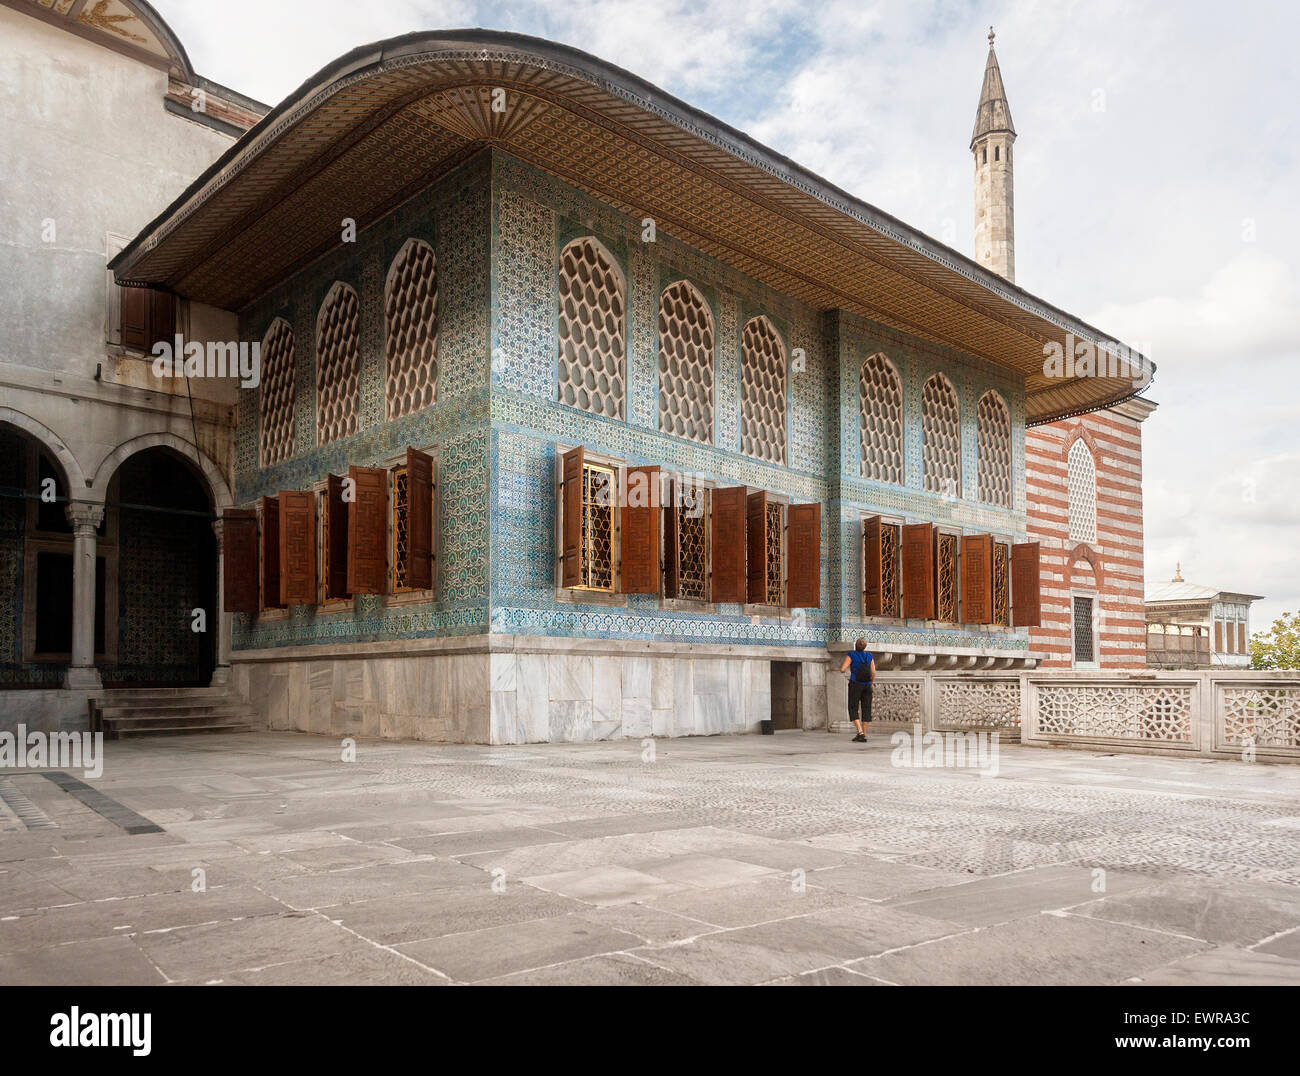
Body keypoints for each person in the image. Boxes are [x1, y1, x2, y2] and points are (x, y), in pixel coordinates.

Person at [839, 638, 875, 743]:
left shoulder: (852, 655)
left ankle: (860, 732)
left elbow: (843, 669)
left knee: (853, 707)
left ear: (856, 645)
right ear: (865, 647)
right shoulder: (869, 656)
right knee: (866, 708)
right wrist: (871, 682)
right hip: (867, 685)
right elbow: (873, 672)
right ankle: (863, 734)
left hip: (856, 684)